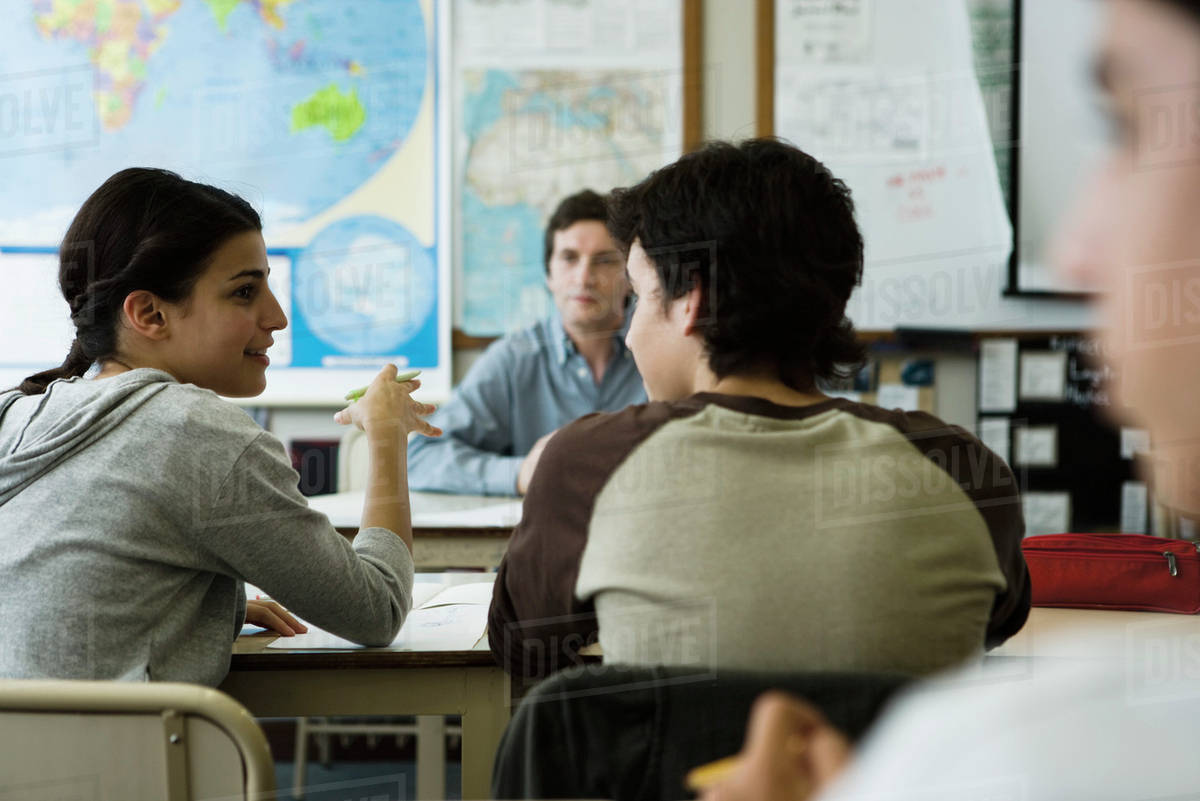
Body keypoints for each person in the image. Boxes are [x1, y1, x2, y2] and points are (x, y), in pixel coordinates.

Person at [701, 1, 1200, 798]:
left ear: (686, 304)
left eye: (1126, 128)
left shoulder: (1026, 754)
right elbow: (1003, 614)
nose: (1073, 249)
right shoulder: (957, 461)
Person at [487, 139, 1029, 687]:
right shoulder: (965, 472)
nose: (629, 335)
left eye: (641, 296)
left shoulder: (586, 464)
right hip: (890, 774)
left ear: (691, 302)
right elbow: (996, 622)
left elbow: (526, 652)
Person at [0, 167, 441, 686]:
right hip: (119, 763)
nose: (276, 317)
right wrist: (386, 435)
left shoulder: (16, 415)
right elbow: (378, 610)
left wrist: (212, 604)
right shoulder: (198, 434)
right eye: (244, 292)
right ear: (150, 313)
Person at [407, 189, 646, 496]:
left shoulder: (661, 350)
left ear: (630, 277)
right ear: (549, 275)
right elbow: (420, 458)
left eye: (604, 261)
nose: (584, 277)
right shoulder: (513, 359)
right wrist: (521, 473)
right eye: (569, 258)